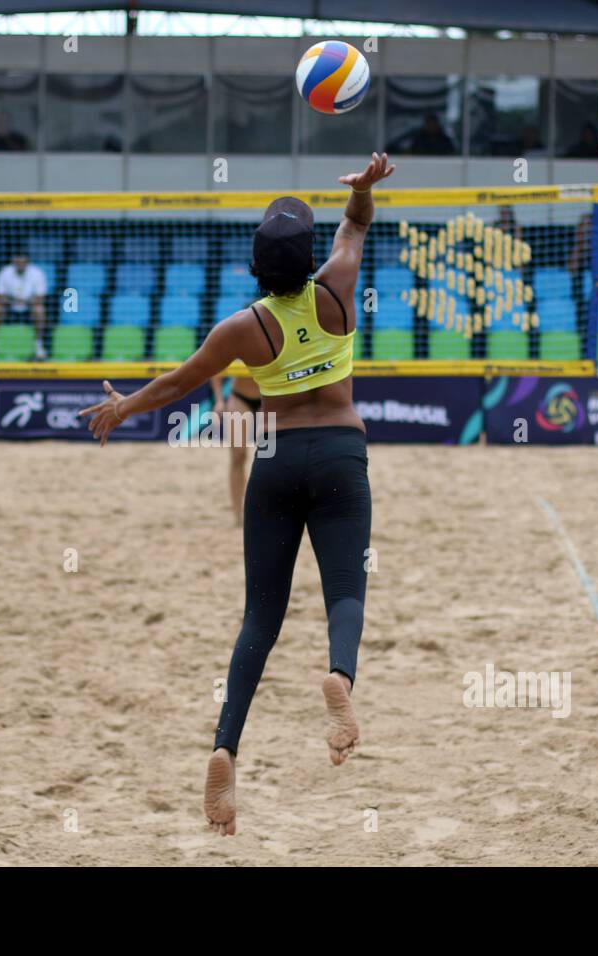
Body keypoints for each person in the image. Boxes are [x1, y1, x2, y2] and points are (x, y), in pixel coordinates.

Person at [81, 151, 396, 836]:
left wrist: (122, 409)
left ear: (257, 268)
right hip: (342, 445)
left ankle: (226, 745)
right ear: (308, 258)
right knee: (346, 590)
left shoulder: (242, 327)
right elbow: (355, 228)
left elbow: (178, 384)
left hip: (278, 455)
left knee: (260, 616)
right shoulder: (338, 288)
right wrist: (364, 190)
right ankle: (339, 675)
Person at [209, 374, 264, 527]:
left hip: (269, 396)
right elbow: (217, 366)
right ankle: (238, 515)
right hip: (240, 396)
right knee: (238, 456)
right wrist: (219, 399)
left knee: (270, 456)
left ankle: (270, 511)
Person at [0, 252, 49, 360]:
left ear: (28, 262)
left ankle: (38, 345)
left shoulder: (37, 273)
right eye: (18, 262)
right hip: (9, 306)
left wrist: (26, 302)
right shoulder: (5, 272)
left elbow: (41, 297)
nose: (20, 264)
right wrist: (13, 301)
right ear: (13, 261)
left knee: (39, 310)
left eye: (23, 262)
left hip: (29, 307)